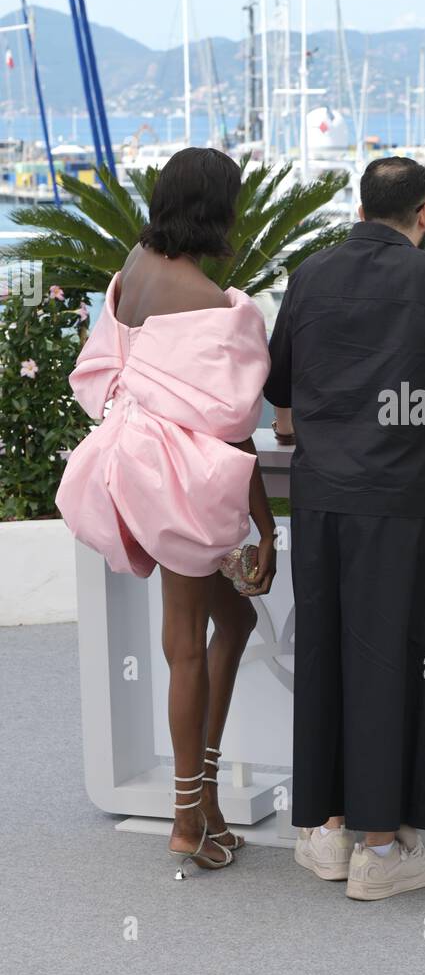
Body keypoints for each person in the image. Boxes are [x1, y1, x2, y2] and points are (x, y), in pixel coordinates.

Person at [265, 156, 425, 900]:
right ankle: (382, 850)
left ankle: (326, 831)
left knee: (324, 654)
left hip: (322, 496)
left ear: (361, 208)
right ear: (424, 213)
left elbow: (281, 392)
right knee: (399, 659)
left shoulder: (310, 276)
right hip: (404, 499)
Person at [56, 148, 275, 877]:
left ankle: (204, 800)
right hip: (172, 480)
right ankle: (188, 819)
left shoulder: (133, 266)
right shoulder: (212, 301)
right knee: (186, 640)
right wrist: (265, 527)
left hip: (124, 461)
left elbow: (116, 368)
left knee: (231, 620)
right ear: (219, 208)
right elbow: (234, 420)